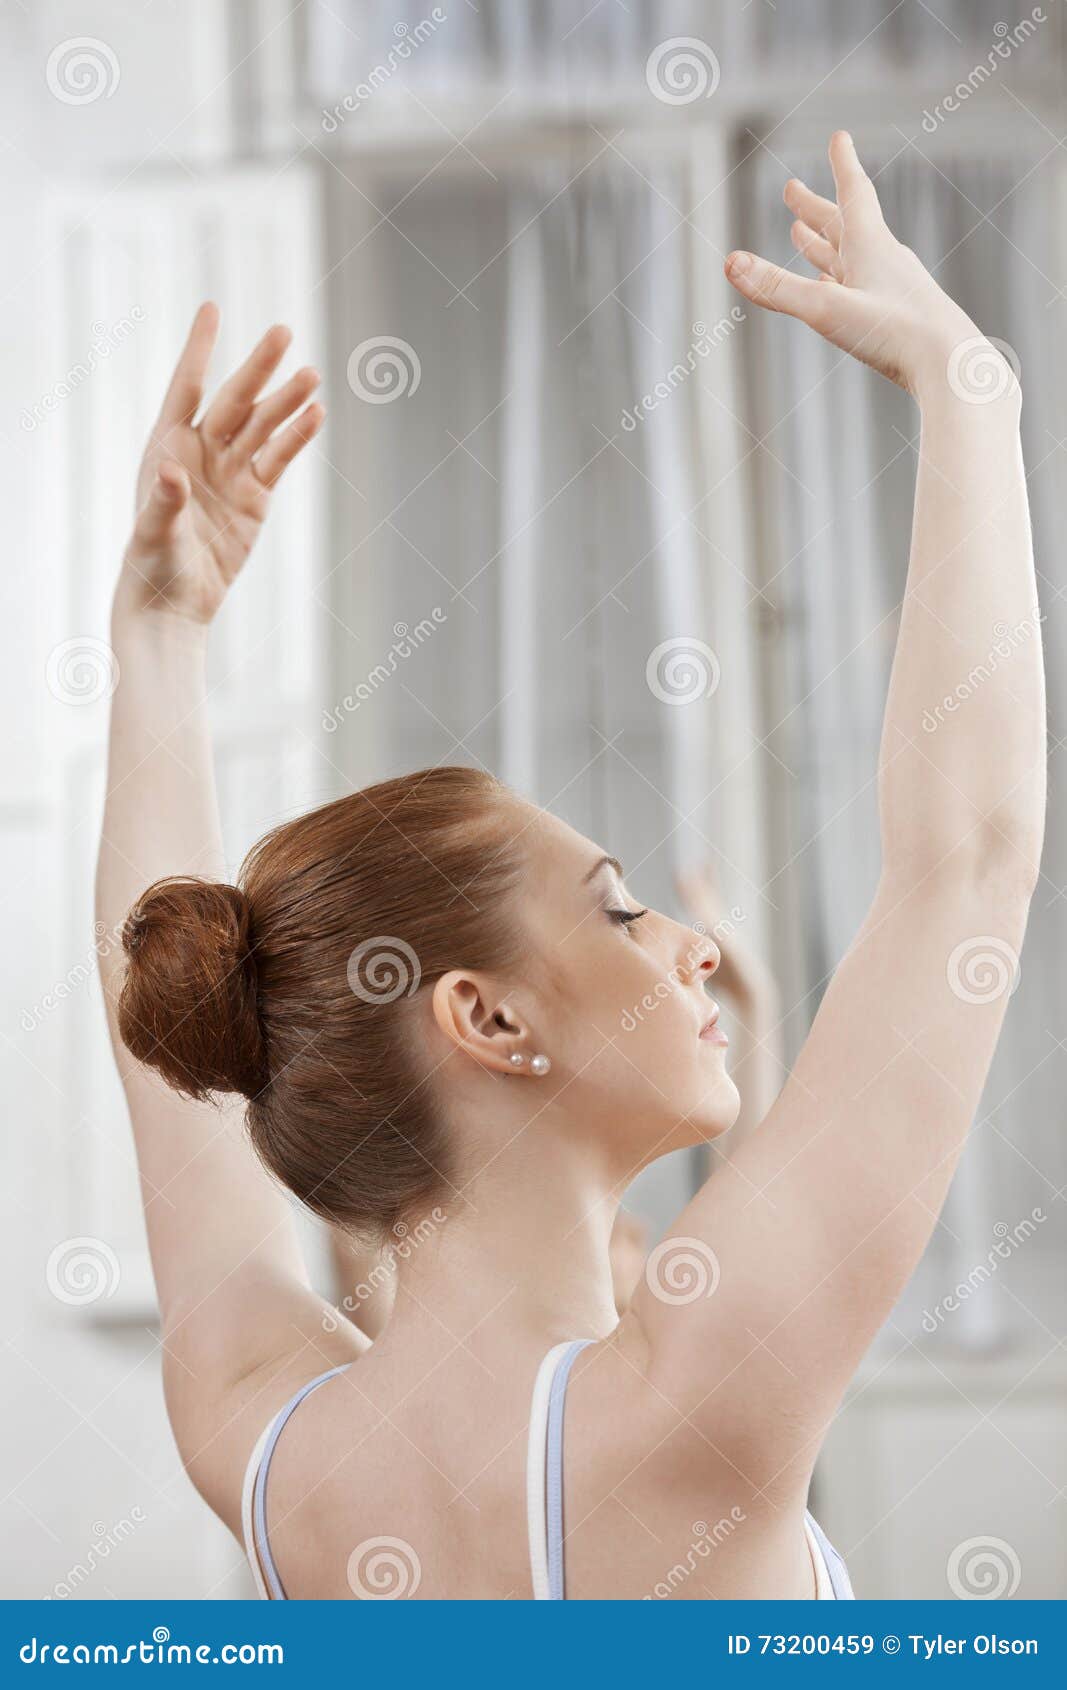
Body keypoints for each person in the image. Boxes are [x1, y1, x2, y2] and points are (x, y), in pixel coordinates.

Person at [96, 133, 1044, 1600]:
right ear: (486, 1016)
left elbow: (168, 1064)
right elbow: (962, 859)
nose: (688, 943)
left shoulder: (271, 1453)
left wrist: (155, 642)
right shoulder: (687, 1406)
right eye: (618, 903)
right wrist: (970, 388)